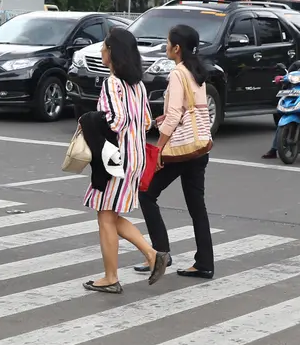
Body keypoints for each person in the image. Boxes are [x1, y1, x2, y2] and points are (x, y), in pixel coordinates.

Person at [80, 27, 163, 294]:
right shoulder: (137, 85)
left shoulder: (112, 83)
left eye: (105, 47)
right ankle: (151, 255)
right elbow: (147, 121)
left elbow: (116, 121)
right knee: (110, 214)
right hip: (135, 157)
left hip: (116, 160)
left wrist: (89, 119)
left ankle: (112, 277)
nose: (102, 51)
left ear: (113, 53)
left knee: (105, 216)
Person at [136, 24, 214, 279]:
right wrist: (161, 120)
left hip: (181, 149)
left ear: (177, 48)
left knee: (146, 193)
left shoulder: (178, 73)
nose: (165, 46)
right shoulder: (196, 72)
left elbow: (175, 116)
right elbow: (192, 110)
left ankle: (161, 254)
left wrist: (158, 149)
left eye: (168, 42)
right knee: (196, 206)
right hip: (200, 146)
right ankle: (204, 263)